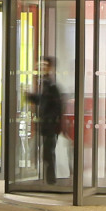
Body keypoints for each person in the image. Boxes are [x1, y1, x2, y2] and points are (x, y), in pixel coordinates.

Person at [26, 57, 64, 186]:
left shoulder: (51, 85)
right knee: (45, 152)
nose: (41, 68)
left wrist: (53, 121)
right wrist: (31, 97)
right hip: (46, 124)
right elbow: (42, 101)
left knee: (47, 153)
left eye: (44, 65)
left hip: (50, 125)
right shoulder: (45, 83)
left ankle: (50, 180)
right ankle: (48, 179)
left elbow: (54, 105)